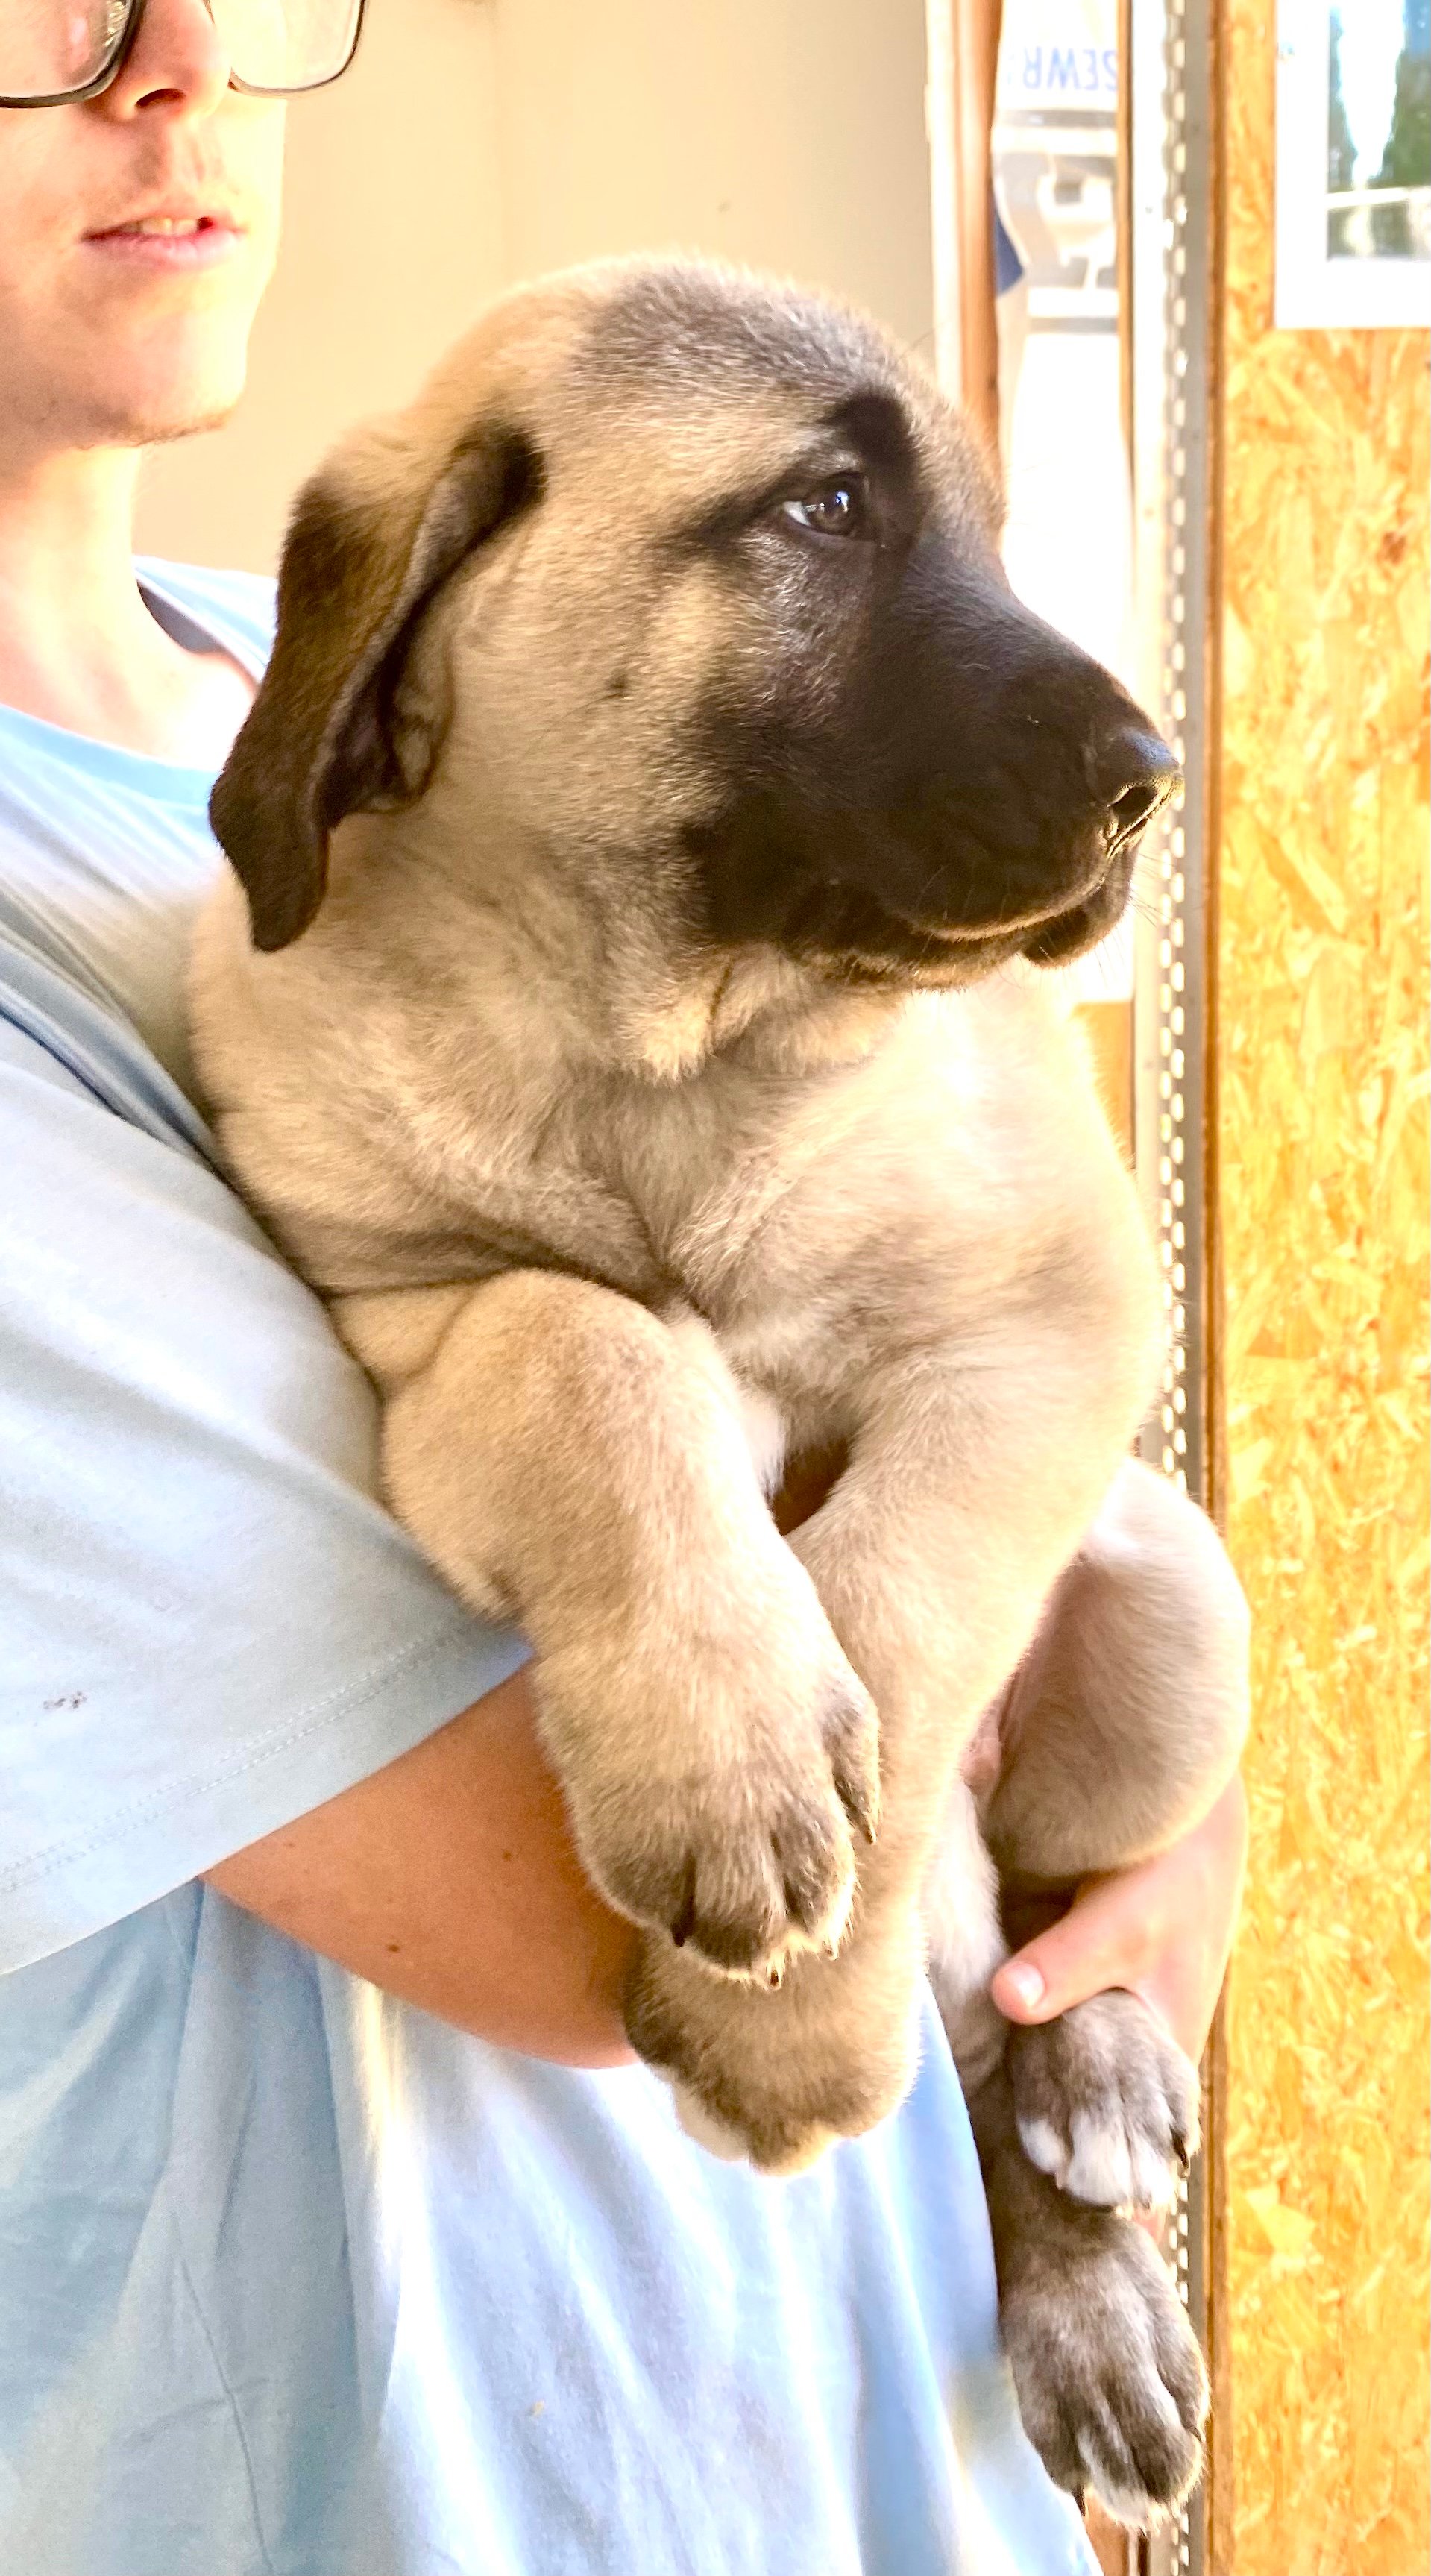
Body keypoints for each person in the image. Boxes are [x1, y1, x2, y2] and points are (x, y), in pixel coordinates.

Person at [0, 5, 1247, 2571]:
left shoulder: (324, 684)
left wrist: (1142, 1845)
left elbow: (1047, 1354)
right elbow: (616, 1925)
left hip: (864, 2443)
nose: (179, 66)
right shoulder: (283, 800)